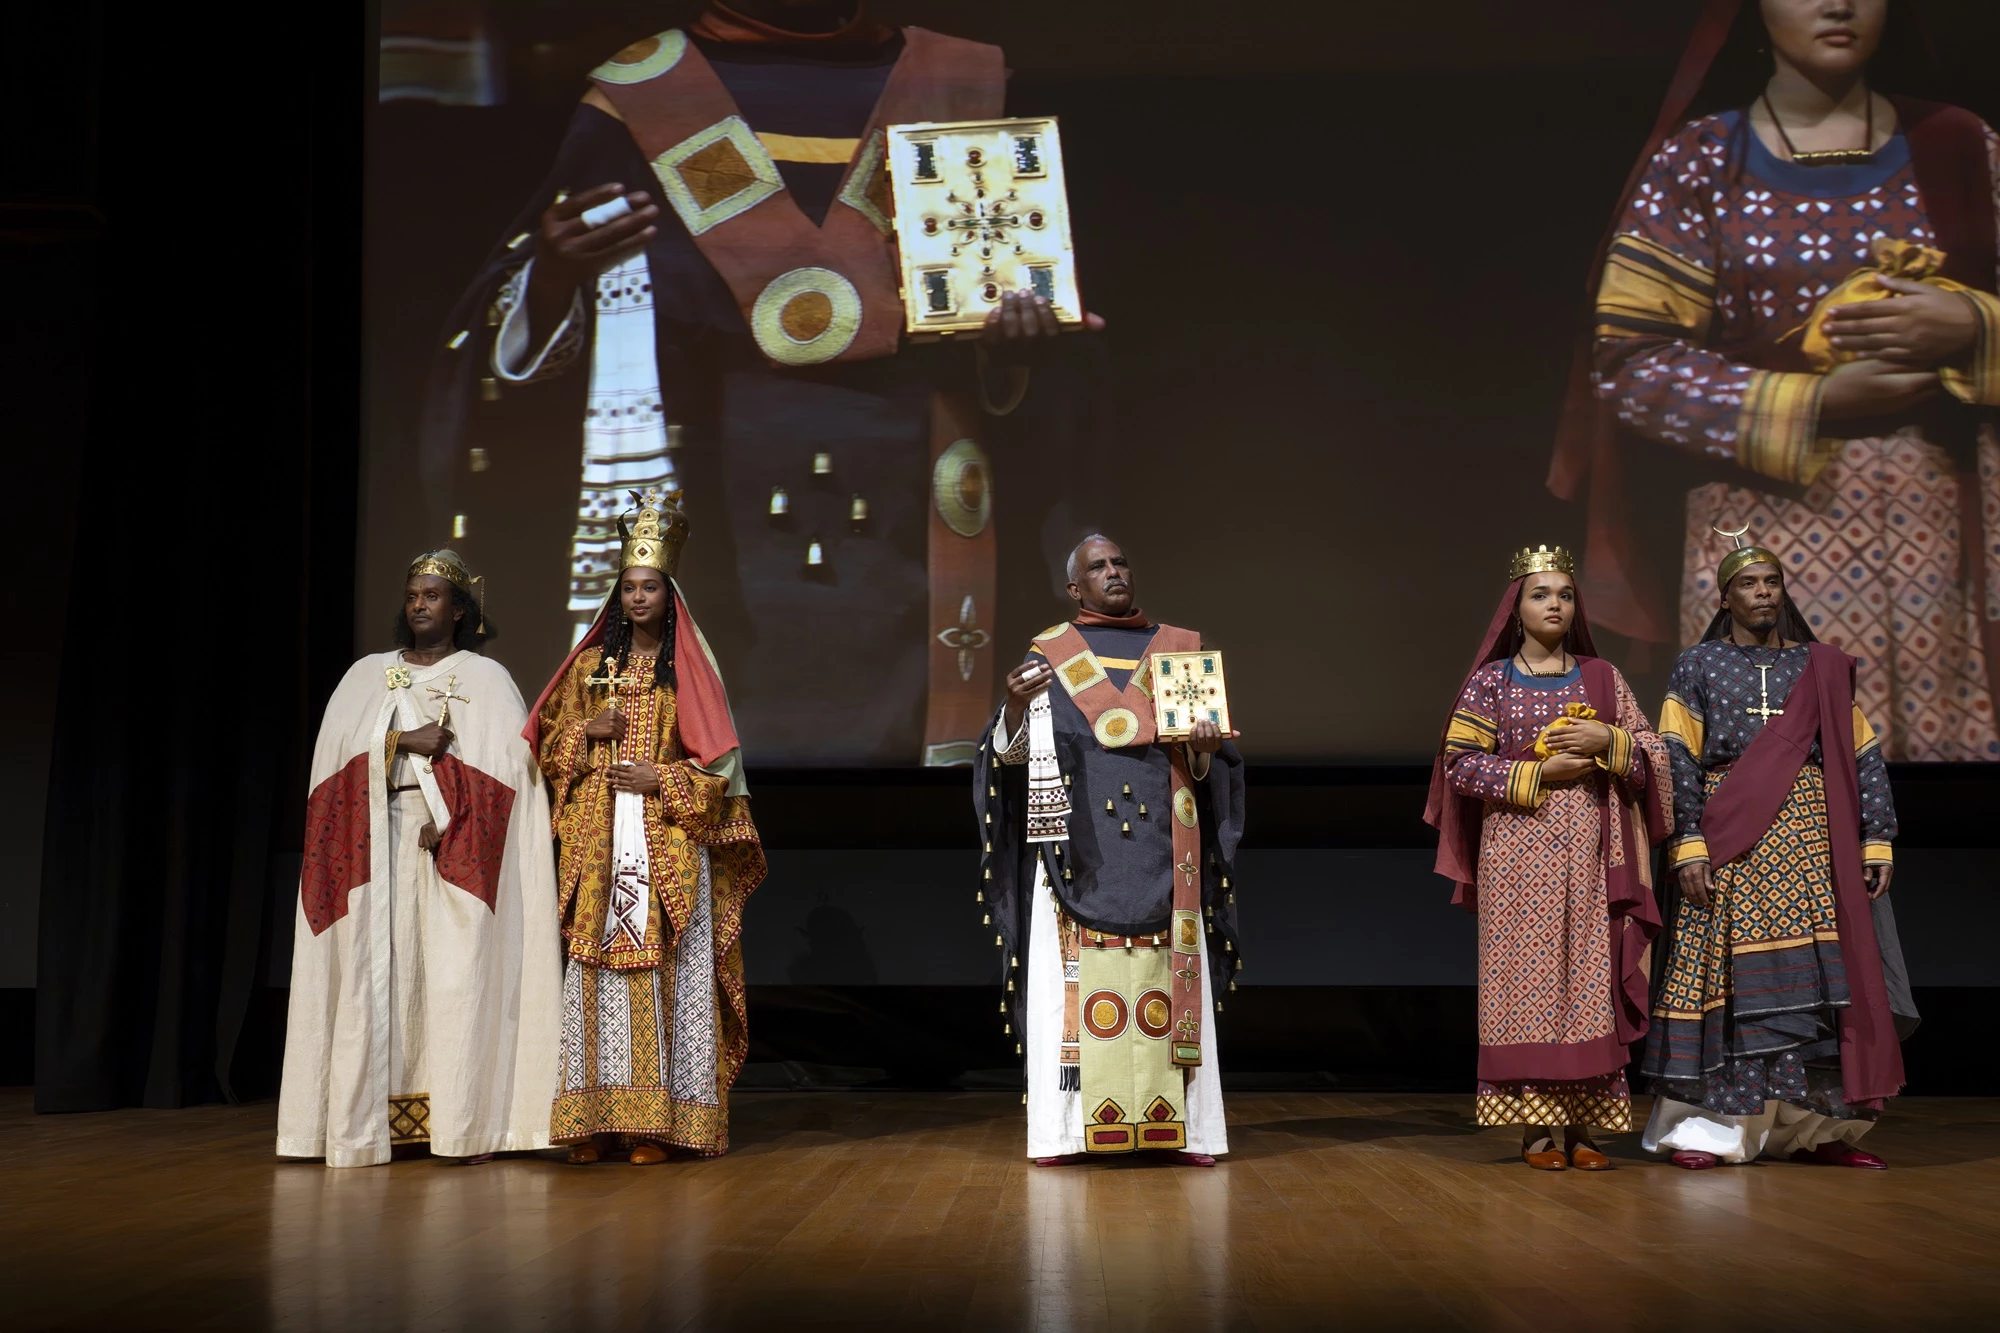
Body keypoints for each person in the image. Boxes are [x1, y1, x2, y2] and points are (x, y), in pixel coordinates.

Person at [422, 0, 1103, 766]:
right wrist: (552, 281)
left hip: (914, 516)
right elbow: (515, 356)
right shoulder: (641, 95)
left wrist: (1013, 350)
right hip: (716, 516)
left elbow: (1021, 323)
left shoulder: (958, 80)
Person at [1549, 0, 2000, 759]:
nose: (1837, 3)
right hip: (1761, 528)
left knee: (1931, 768)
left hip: (1942, 521)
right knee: (1775, 778)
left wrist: (1973, 327)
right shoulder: (1700, 162)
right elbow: (1630, 361)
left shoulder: (1960, 144)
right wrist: (1814, 400)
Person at [1641, 528, 1918, 1169]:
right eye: (1748, 584)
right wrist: (1688, 841)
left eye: (1772, 582)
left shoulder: (1819, 666)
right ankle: (1710, 1131)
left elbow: (1862, 754)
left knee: (1819, 985)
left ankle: (1815, 1133)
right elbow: (1676, 756)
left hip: (1812, 839)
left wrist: (1877, 837)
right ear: (1725, 598)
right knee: (1731, 984)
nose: (1763, 593)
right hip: (1730, 834)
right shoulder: (1698, 665)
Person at [278, 550, 561, 1167]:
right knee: (375, 978)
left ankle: (464, 1123)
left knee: (456, 979)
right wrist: (400, 740)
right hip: (374, 845)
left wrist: (453, 816)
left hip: (453, 852)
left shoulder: (486, 679)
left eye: (432, 596)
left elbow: (511, 779)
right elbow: (331, 768)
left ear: (459, 610)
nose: (418, 605)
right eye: (412, 596)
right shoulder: (365, 674)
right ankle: (365, 1122)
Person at [974, 535, 1243, 1164]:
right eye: (1098, 566)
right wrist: (1013, 706)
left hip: (1166, 853)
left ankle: (1183, 1132)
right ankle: (1067, 1133)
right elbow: (1010, 758)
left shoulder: (1180, 651)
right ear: (1076, 587)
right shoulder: (1049, 656)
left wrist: (1206, 747)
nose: (1113, 571)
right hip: (1078, 857)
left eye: (1120, 562)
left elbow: (1209, 765)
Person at [530, 490, 766, 1162]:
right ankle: (592, 1120)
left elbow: (718, 775)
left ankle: (659, 1124)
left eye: (650, 586)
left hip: (666, 843)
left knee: (667, 977)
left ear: (669, 594)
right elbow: (547, 748)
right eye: (629, 586)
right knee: (594, 980)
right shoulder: (587, 669)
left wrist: (660, 778)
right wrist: (586, 730)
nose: (638, 597)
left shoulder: (686, 674)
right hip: (597, 846)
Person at [1425, 545, 1673, 1170]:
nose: (1554, 604)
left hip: (1592, 850)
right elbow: (1460, 766)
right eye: (1540, 594)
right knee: (1524, 982)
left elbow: (1653, 751)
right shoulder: (1492, 681)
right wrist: (1540, 772)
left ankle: (1585, 1128)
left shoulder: (1603, 676)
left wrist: (1608, 739)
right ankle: (1536, 1130)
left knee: (1589, 979)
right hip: (1516, 853)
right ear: (1516, 609)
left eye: (1564, 594)